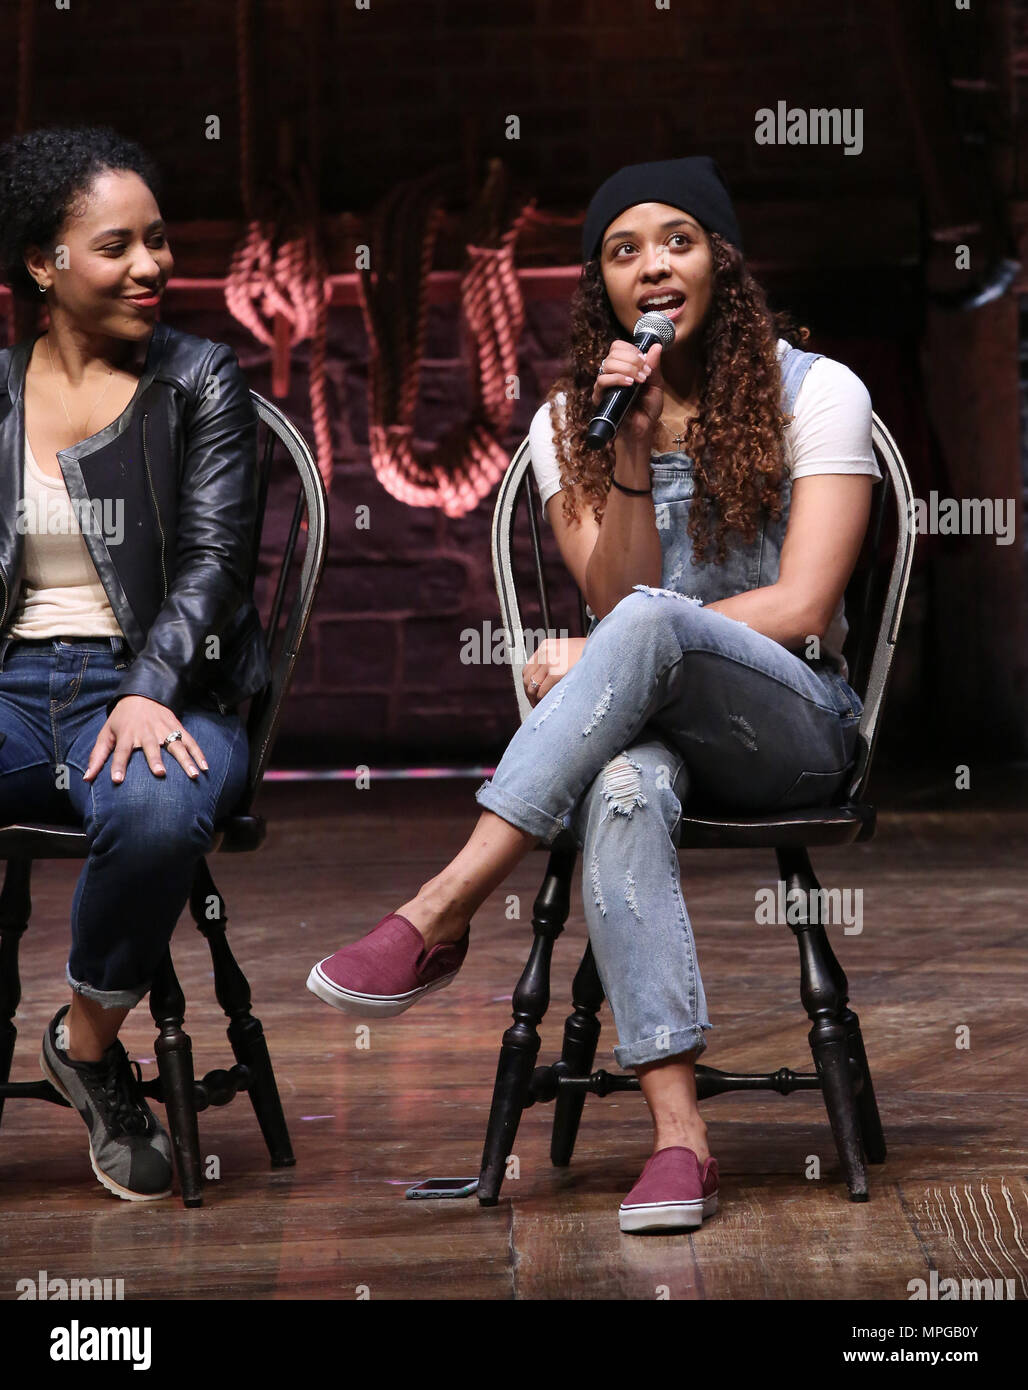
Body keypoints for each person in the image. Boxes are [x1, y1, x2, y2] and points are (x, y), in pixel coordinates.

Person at [308, 156, 881, 1233]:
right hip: (649, 729)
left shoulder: (820, 390)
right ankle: (678, 1141)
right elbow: (618, 593)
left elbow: (802, 604)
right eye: (622, 250)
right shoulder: (574, 421)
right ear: (601, 286)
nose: (651, 264)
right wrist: (622, 443)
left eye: (676, 239)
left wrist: (621, 636)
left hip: (790, 726)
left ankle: (442, 905)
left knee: (650, 622)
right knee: (616, 783)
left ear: (722, 262)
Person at [0, 125, 271, 1201]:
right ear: (42, 263)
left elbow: (214, 567)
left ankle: (90, 1045)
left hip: (162, 680)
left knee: (158, 811)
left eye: (158, 241)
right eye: (117, 246)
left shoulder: (200, 381)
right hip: (14, 687)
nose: (153, 266)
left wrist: (148, 689)